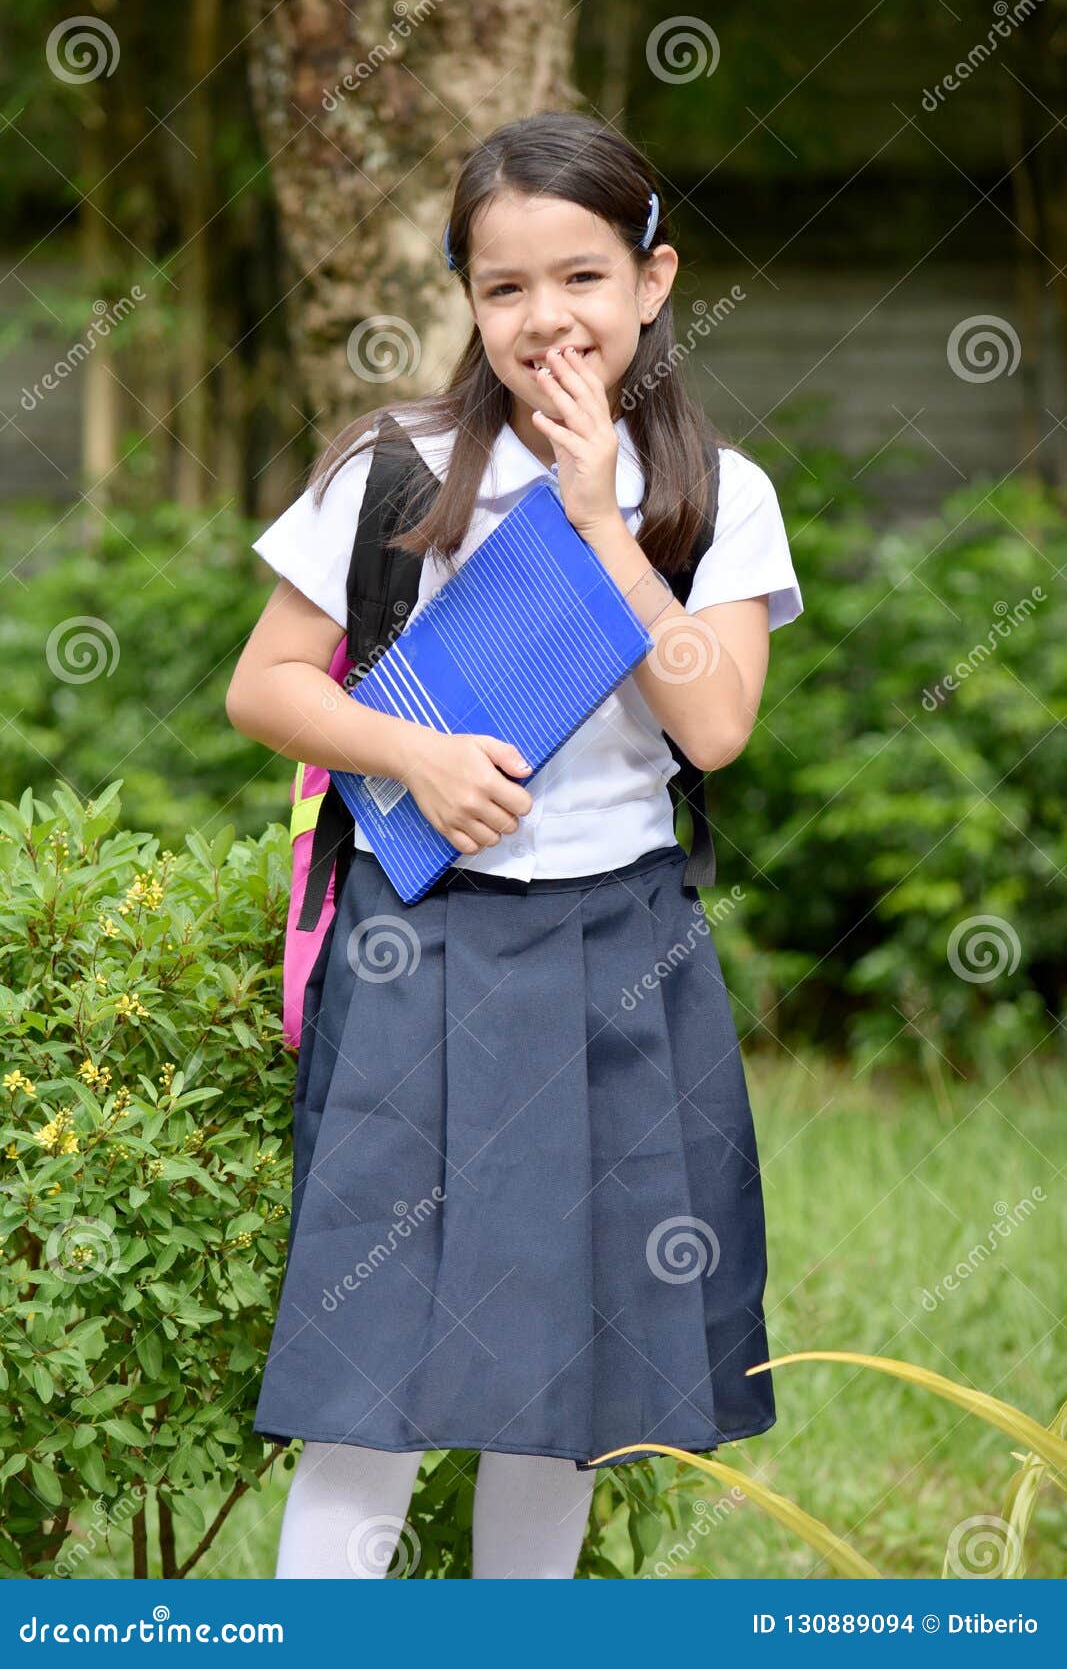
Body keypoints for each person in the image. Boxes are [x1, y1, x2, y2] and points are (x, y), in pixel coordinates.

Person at [225, 110, 803, 1580]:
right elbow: (266, 685)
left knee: (564, 1394)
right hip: (421, 948)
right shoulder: (398, 470)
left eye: (583, 276)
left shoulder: (716, 497)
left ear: (654, 280)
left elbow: (717, 723)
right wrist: (410, 748)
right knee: (376, 1376)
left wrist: (604, 519)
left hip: (621, 956)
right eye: (504, 287)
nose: (546, 317)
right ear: (466, 300)